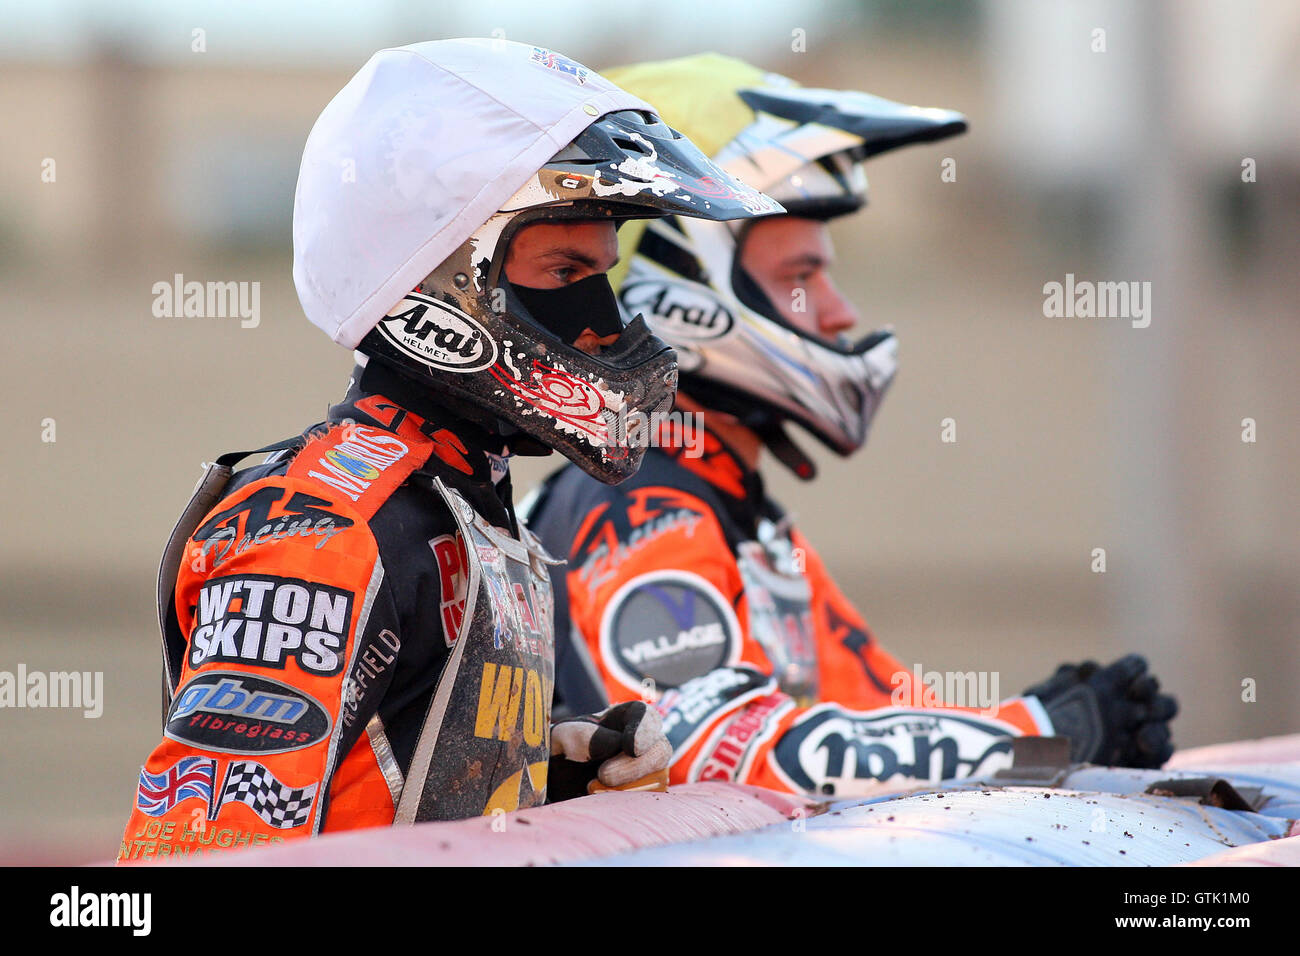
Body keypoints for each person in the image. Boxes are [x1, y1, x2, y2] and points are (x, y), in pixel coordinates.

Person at [118, 39, 783, 862]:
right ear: (442, 283)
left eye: (604, 275)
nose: (603, 325)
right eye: (565, 269)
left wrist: (552, 783)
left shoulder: (471, 508)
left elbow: (383, 796)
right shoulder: (318, 534)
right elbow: (196, 854)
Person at [523, 54, 1178, 796]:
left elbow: (875, 710)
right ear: (680, 294)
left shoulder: (735, 509)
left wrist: (1044, 730)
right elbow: (709, 748)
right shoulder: (637, 505)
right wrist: (1030, 737)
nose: (839, 312)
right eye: (802, 280)